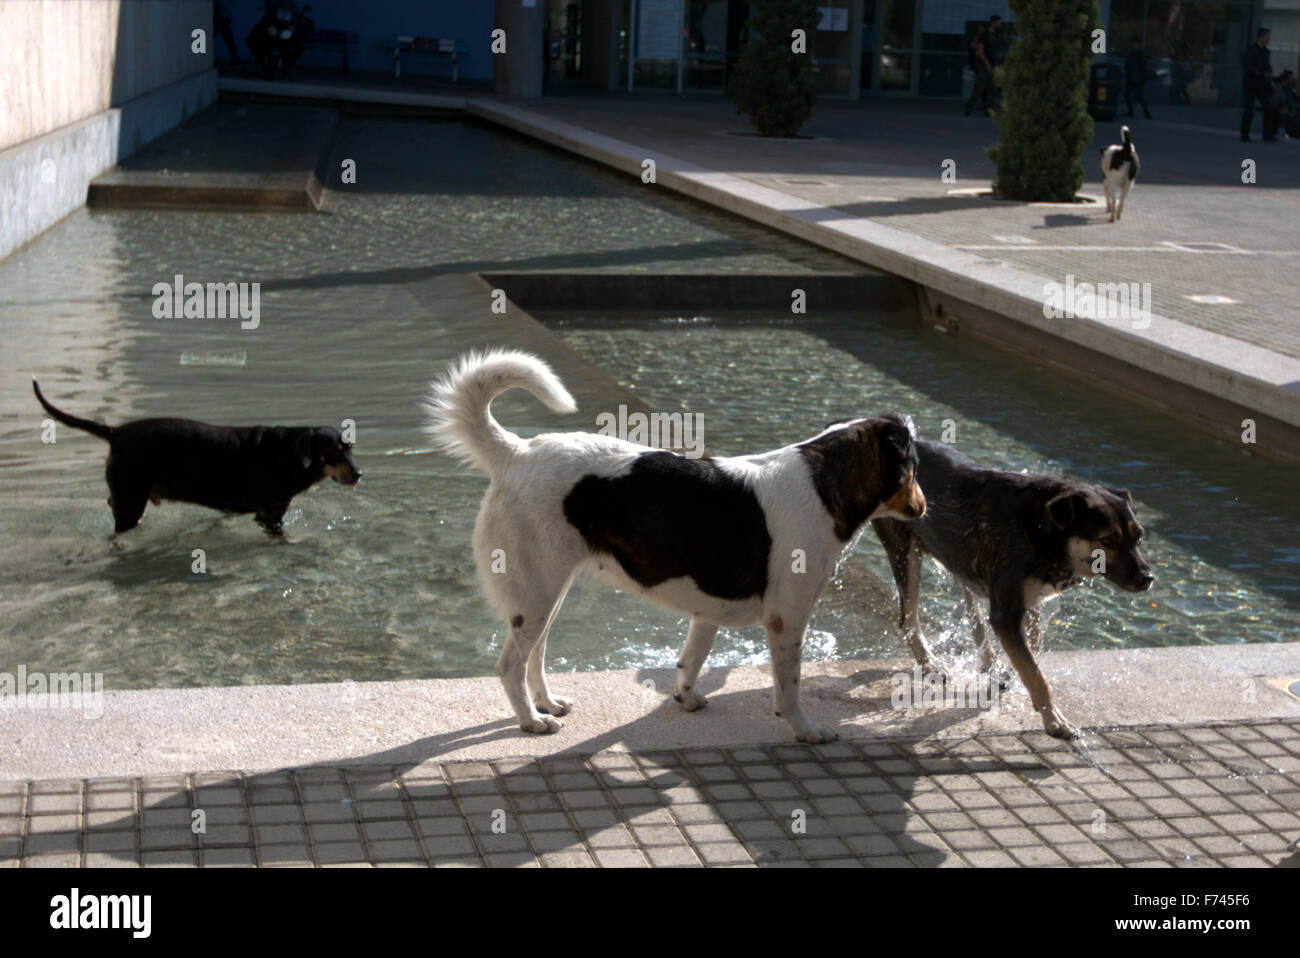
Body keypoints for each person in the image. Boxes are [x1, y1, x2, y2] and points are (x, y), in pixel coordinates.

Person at [1241, 28, 1277, 142]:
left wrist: (1270, 74)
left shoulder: (1265, 52)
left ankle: (1267, 135)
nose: (1269, 39)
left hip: (1262, 85)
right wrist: (1262, 74)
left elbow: (1267, 66)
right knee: (1249, 110)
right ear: (1261, 37)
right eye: (1267, 36)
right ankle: (1245, 134)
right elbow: (1248, 66)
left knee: (1269, 108)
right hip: (1251, 84)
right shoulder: (1251, 50)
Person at [1124, 38, 1152, 119]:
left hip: (1138, 78)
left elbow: (1144, 66)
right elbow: (1128, 65)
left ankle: (1147, 113)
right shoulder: (1131, 54)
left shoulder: (1140, 54)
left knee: (1140, 97)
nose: (1134, 45)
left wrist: (1143, 77)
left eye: (1135, 43)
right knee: (1127, 95)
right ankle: (1131, 111)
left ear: (1138, 44)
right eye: (1133, 43)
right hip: (1131, 78)